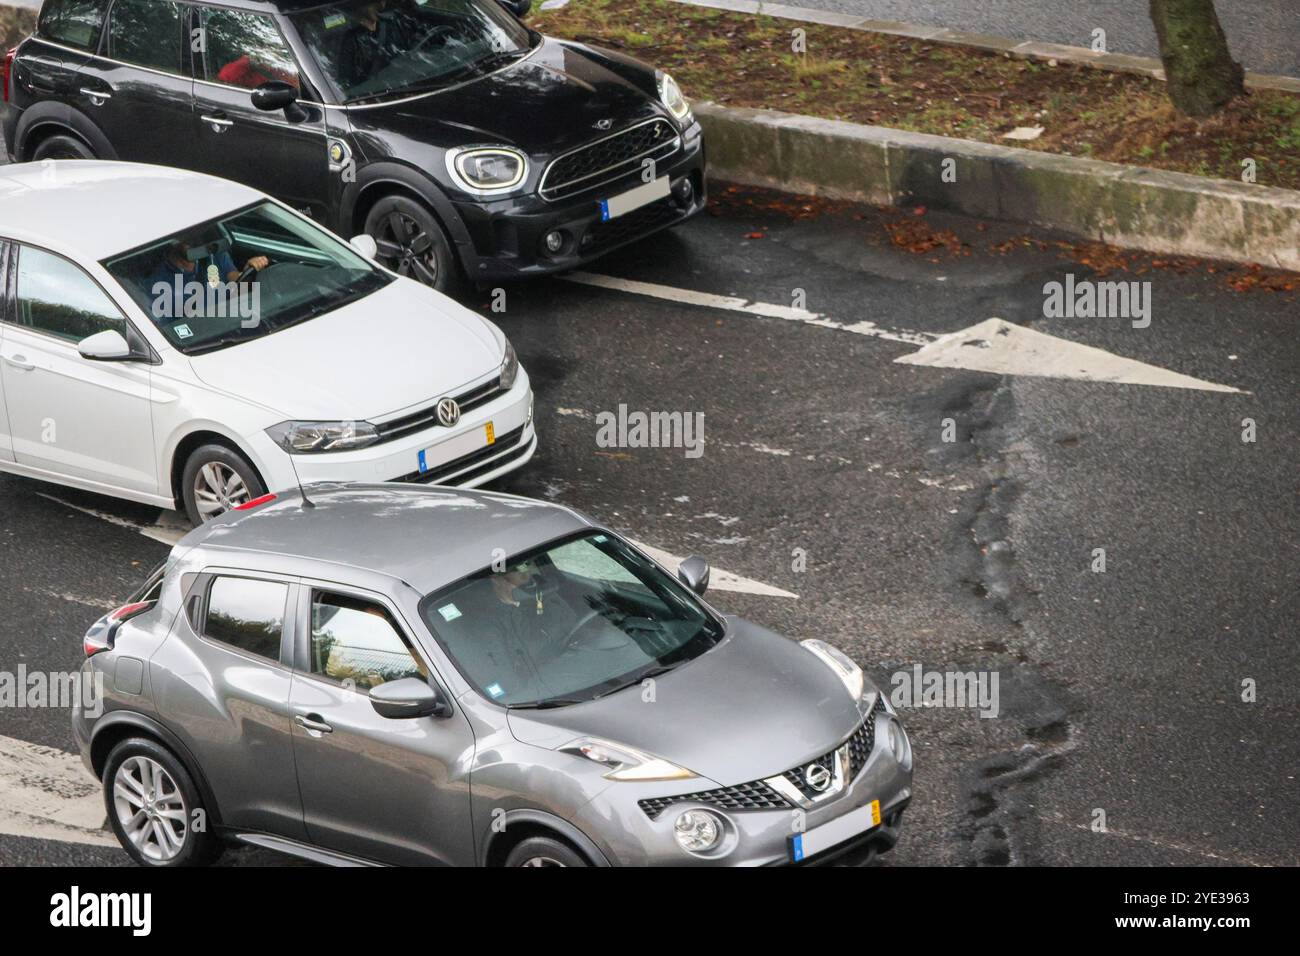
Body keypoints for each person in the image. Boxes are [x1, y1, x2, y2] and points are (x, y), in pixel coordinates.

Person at [145, 241, 268, 323]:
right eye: (187, 237)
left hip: (232, 322)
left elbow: (235, 279)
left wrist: (249, 269)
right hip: (203, 336)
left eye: (196, 235)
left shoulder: (215, 255)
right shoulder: (158, 282)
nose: (194, 241)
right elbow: (168, 329)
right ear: (174, 242)